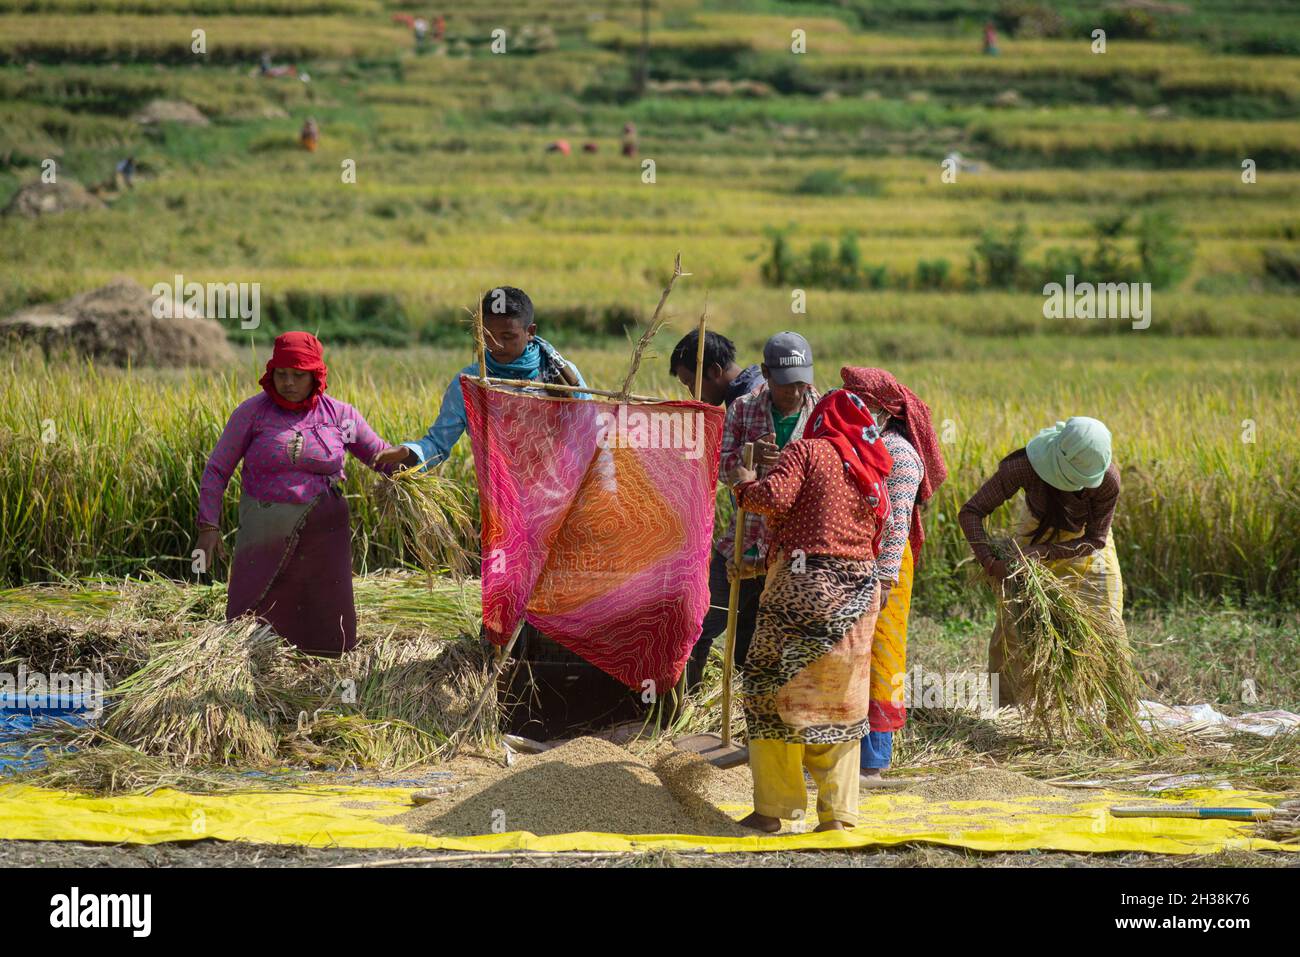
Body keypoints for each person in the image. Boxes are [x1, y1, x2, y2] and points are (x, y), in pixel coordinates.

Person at [727, 389, 893, 832]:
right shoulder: (873, 466)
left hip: (802, 591)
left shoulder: (808, 449)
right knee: (839, 703)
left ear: (821, 419)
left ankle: (771, 809)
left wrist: (744, 482)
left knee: (769, 692)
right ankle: (837, 816)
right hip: (858, 596)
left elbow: (775, 500)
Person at [196, 332, 394, 657]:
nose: (288, 382)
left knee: (325, 614)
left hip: (323, 535)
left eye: (298, 375)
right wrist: (208, 527)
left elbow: (378, 456)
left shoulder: (340, 416)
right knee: (253, 608)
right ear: (270, 372)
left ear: (315, 376)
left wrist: (414, 465)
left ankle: (325, 676)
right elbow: (217, 470)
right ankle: (248, 672)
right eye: (282, 373)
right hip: (265, 534)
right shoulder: (252, 414)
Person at [958, 417, 1124, 706]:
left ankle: (1114, 709)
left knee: (1107, 622)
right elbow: (971, 511)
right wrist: (988, 560)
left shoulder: (1108, 479)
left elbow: (1096, 539)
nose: (1081, 489)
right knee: (1013, 625)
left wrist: (1045, 552)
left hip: (1083, 543)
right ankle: (1008, 708)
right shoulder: (1024, 466)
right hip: (1035, 532)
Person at [685, 332, 820, 689]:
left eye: (800, 384)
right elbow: (724, 468)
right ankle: (683, 704)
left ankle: (766, 718)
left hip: (791, 550)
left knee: (775, 638)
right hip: (746, 539)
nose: (793, 393)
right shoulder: (744, 408)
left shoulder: (820, 412)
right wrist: (750, 456)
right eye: (784, 384)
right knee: (708, 622)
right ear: (765, 373)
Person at [839, 367, 947, 780]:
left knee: (880, 655)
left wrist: (882, 581)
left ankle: (872, 761)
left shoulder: (899, 454)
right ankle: (839, 752)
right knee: (848, 654)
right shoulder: (859, 445)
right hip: (853, 559)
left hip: (887, 566)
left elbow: (898, 523)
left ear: (881, 410)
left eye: (859, 402)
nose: (852, 408)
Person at [375, 286, 587, 471]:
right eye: (488, 336)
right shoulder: (470, 383)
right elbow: (438, 445)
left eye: (508, 336)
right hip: (502, 502)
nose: (497, 345)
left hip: (564, 494)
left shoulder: (563, 376)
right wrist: (410, 453)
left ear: (530, 331)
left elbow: (589, 434)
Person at [668, 329, 761, 408]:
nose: (694, 395)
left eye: (692, 384)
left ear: (715, 371)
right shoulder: (757, 385)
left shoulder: (749, 402)